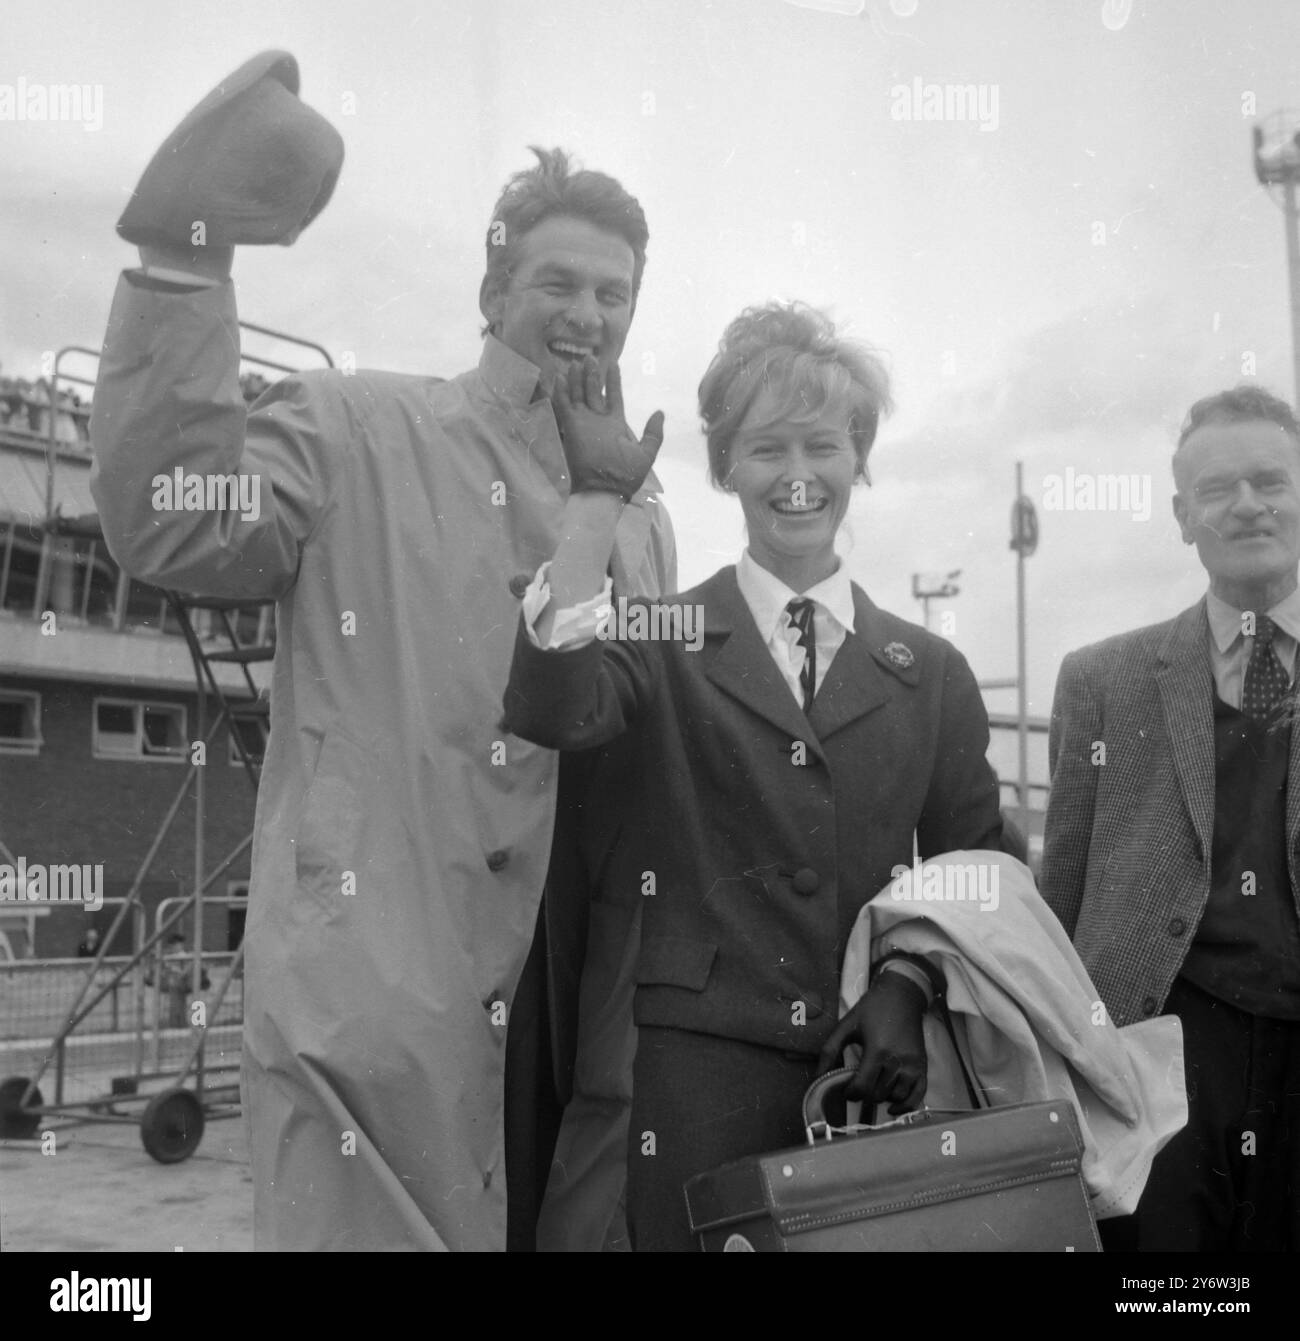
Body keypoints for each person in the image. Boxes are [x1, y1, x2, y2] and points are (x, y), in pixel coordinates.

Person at [90, 51, 674, 1251]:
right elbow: (176, 518)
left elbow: (632, 716)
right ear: (493, 288)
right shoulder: (359, 427)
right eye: (557, 281)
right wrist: (183, 268)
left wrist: (602, 513)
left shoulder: (643, 507)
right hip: (383, 982)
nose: (586, 314)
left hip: (574, 986)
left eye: (613, 293)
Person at [502, 302, 1008, 1251]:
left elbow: (975, 863)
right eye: (767, 448)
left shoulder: (928, 672)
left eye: (825, 445)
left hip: (874, 1067)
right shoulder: (663, 631)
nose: (799, 476)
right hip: (692, 1078)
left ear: (859, 457)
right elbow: (553, 709)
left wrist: (905, 983)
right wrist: (592, 507)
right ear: (725, 463)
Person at [1042, 385, 1300, 1251]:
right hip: (1158, 1058)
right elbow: (1061, 894)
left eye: (1271, 479)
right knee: (1170, 1299)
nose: (1249, 505)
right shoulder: (1102, 680)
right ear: (1183, 514)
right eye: (1218, 489)